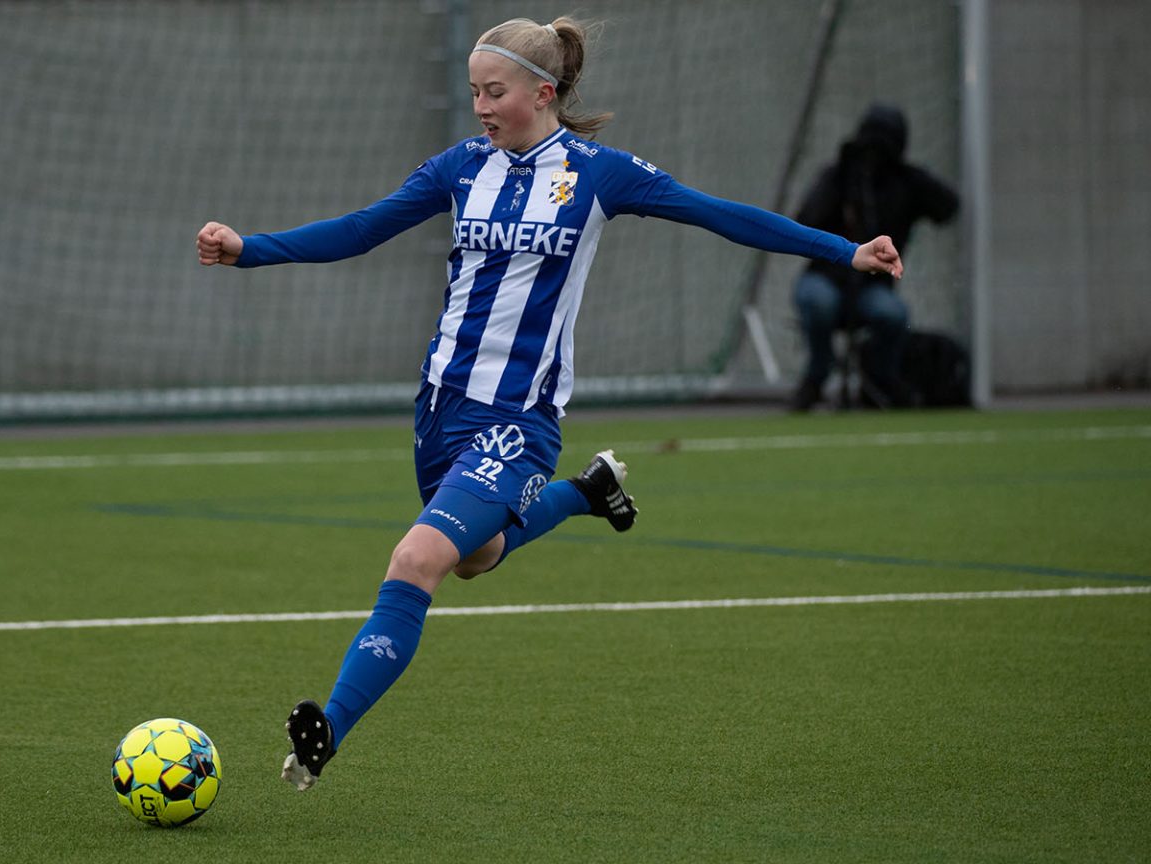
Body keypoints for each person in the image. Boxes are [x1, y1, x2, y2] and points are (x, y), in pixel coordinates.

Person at [196, 16, 903, 791]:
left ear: (543, 92)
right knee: (475, 557)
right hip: (438, 411)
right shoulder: (461, 167)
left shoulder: (599, 174)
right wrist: (250, 249)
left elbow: (721, 214)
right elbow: (362, 230)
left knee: (417, 559)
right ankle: (588, 492)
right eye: (473, 92)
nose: (480, 107)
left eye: (494, 92)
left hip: (517, 422)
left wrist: (845, 250)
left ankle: (327, 732)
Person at [789, 103, 959, 411]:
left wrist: (910, 175)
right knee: (818, 301)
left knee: (892, 313)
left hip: (872, 284)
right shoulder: (839, 176)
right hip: (826, 276)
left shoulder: (905, 183)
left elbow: (947, 207)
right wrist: (841, 176)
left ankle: (882, 376)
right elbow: (806, 220)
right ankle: (816, 375)